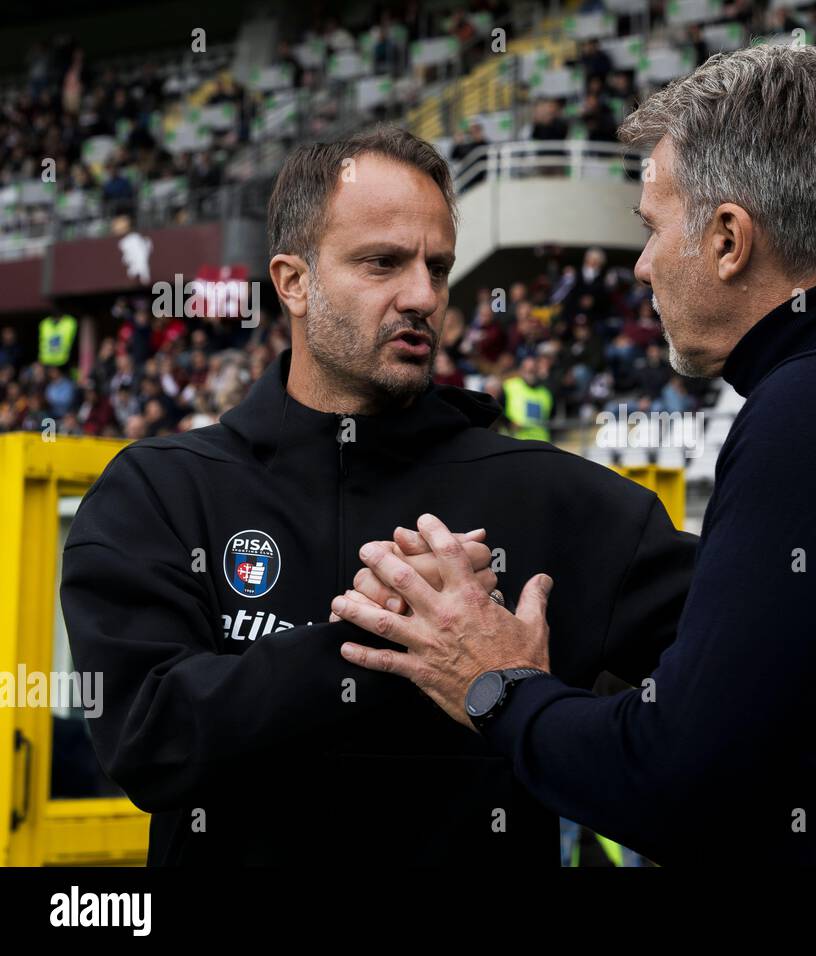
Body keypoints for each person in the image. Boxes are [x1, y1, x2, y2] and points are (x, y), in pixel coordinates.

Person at [332, 46, 816, 866]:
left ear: (728, 239)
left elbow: (674, 776)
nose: (643, 265)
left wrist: (498, 685)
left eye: (651, 229)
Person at [61, 125, 696, 866]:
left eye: (438, 267)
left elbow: (752, 683)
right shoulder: (163, 490)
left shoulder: (560, 500)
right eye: (384, 263)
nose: (424, 296)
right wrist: (404, 638)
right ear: (293, 282)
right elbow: (147, 741)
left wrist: (530, 705)